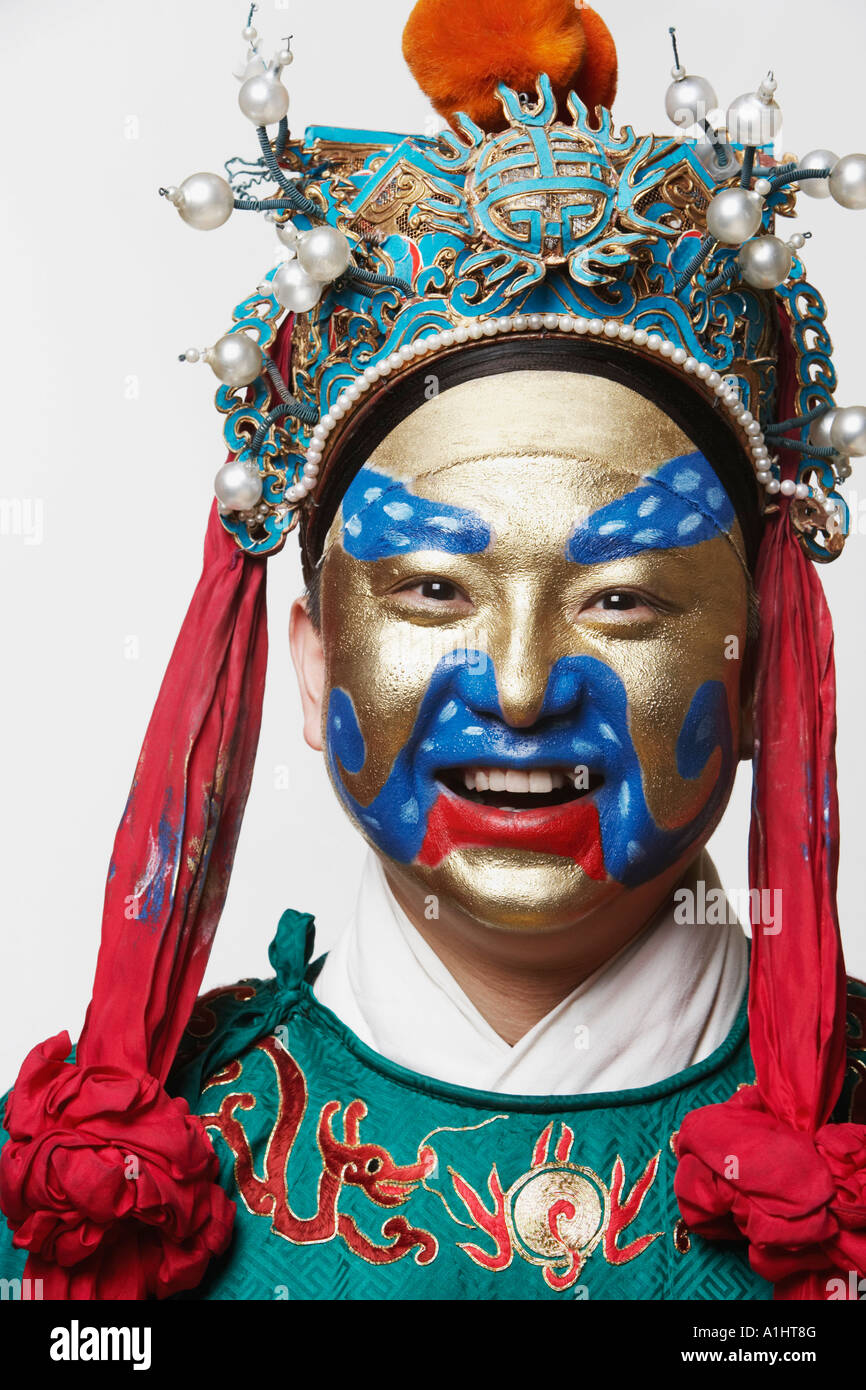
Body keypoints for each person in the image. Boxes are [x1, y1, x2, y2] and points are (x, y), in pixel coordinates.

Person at [1, 0, 865, 1301]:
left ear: (755, 668)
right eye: (432, 589)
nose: (519, 686)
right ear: (309, 661)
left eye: (620, 601)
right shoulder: (100, 1202)